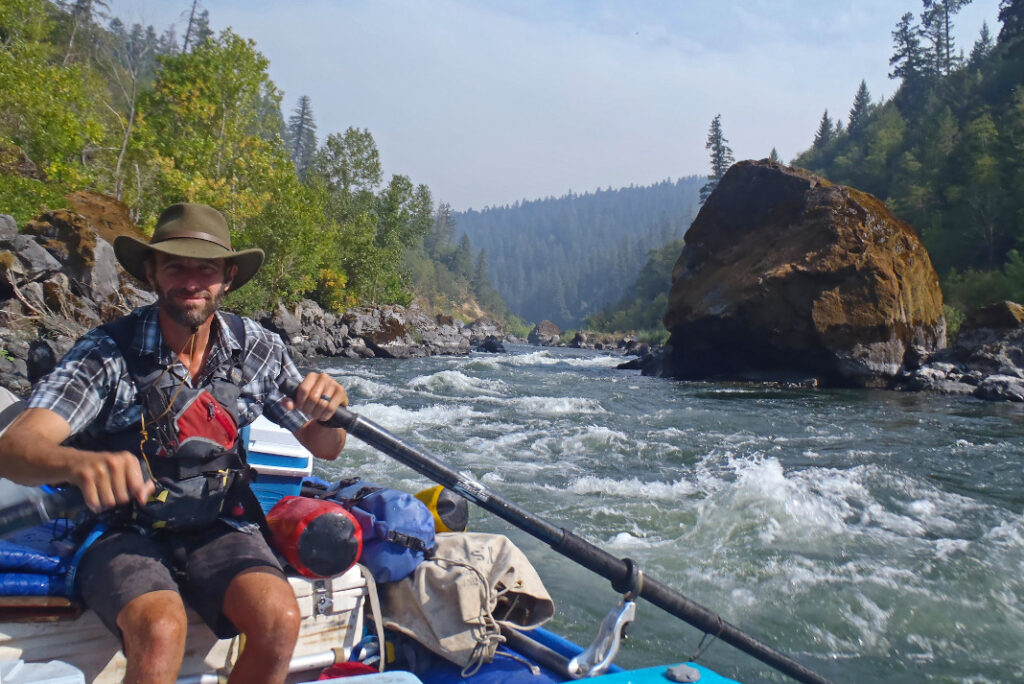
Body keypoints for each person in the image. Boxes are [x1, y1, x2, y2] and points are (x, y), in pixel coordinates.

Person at [0, 203, 349, 684]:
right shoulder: (107, 352)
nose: (190, 281)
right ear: (152, 273)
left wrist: (331, 410)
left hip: (215, 522)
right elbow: (16, 446)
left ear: (227, 277)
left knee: (280, 621)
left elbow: (323, 446)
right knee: (162, 630)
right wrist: (75, 463)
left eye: (205, 268)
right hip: (120, 526)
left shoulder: (259, 349)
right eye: (175, 266)